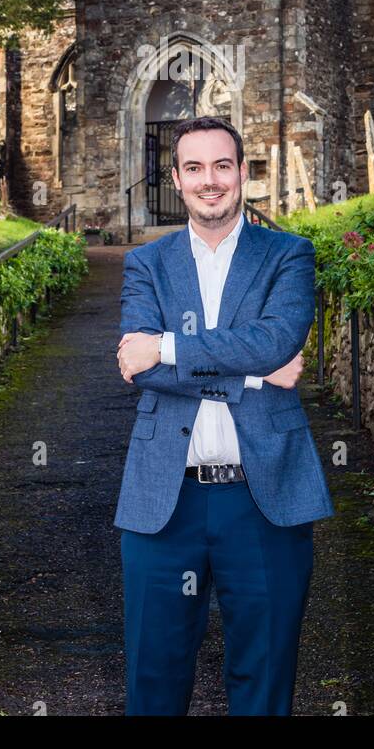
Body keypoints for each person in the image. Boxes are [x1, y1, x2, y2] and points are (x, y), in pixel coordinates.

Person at [114, 115, 335, 716]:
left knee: (263, 681)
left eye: (222, 166)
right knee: (153, 682)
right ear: (177, 178)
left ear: (242, 173)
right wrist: (253, 373)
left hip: (265, 498)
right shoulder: (147, 264)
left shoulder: (288, 254)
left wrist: (168, 346)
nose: (209, 181)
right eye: (194, 168)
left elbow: (278, 339)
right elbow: (140, 368)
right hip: (166, 498)